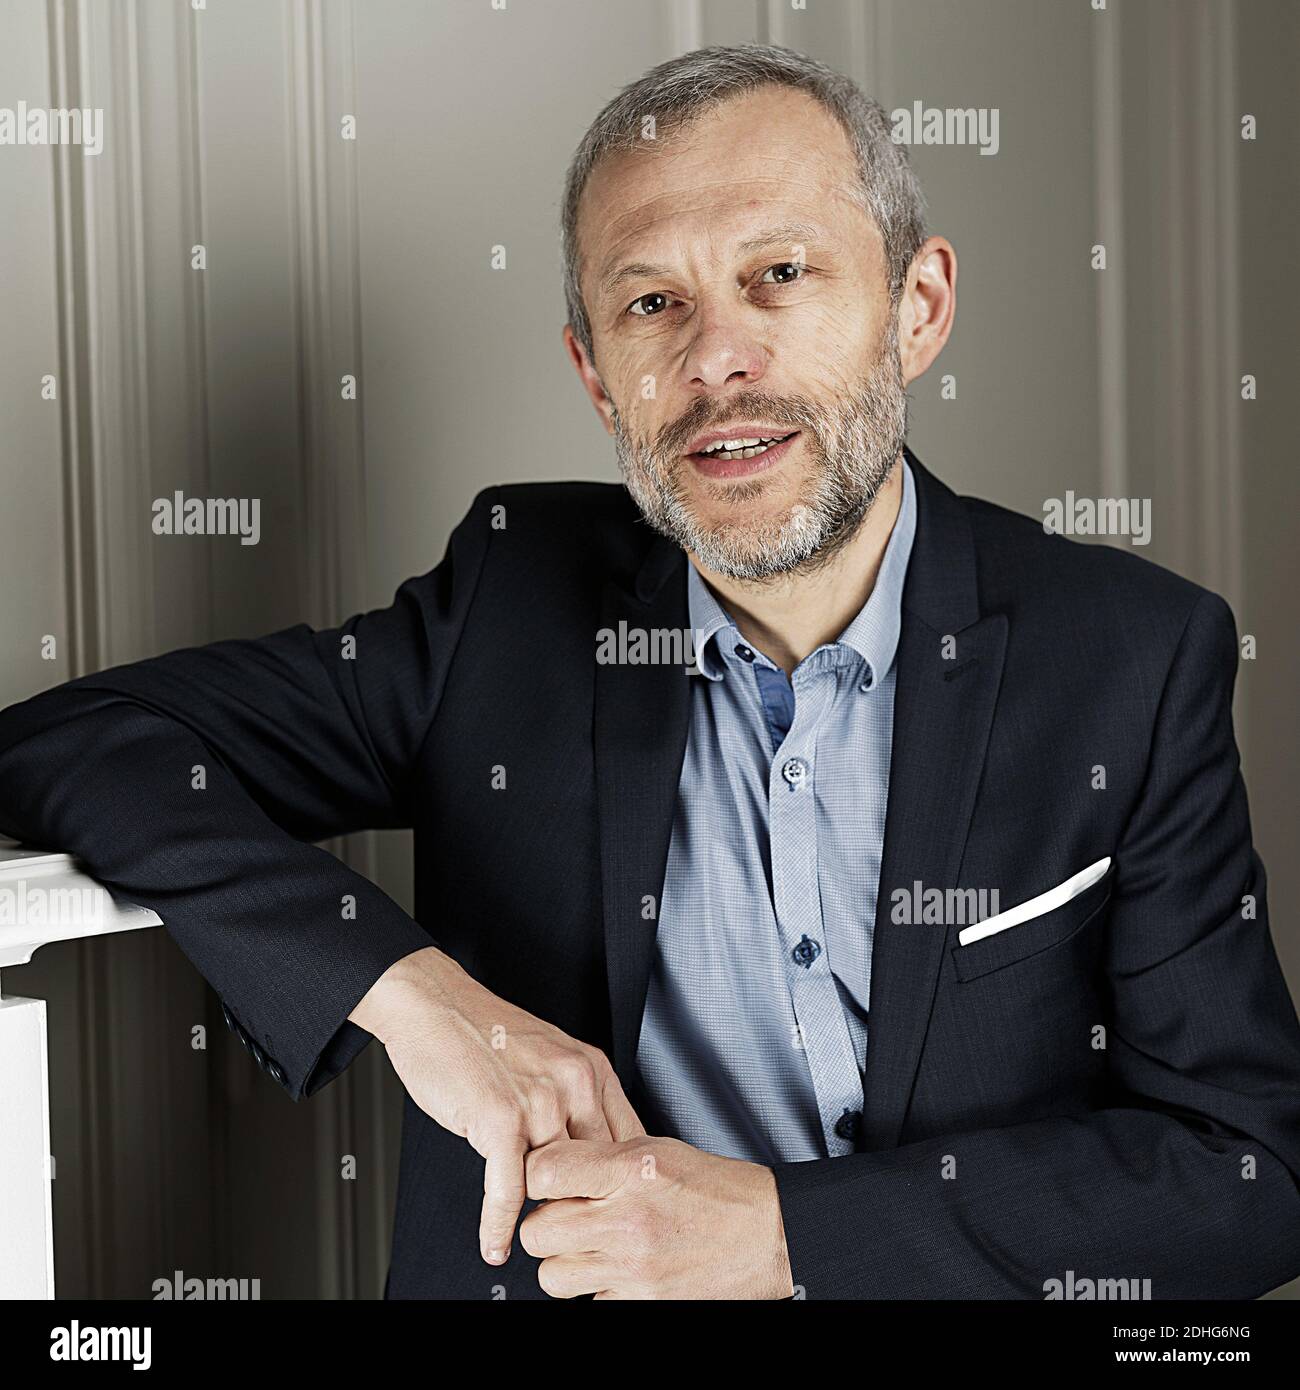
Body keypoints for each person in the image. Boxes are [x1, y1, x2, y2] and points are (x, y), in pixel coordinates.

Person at [2, 44, 1298, 1300]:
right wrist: (416, 998)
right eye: (650, 303)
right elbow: (71, 740)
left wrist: (790, 1238)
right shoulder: (504, 611)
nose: (714, 361)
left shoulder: (1128, 655)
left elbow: (1248, 1172)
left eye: (778, 273)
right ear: (594, 375)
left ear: (919, 308)